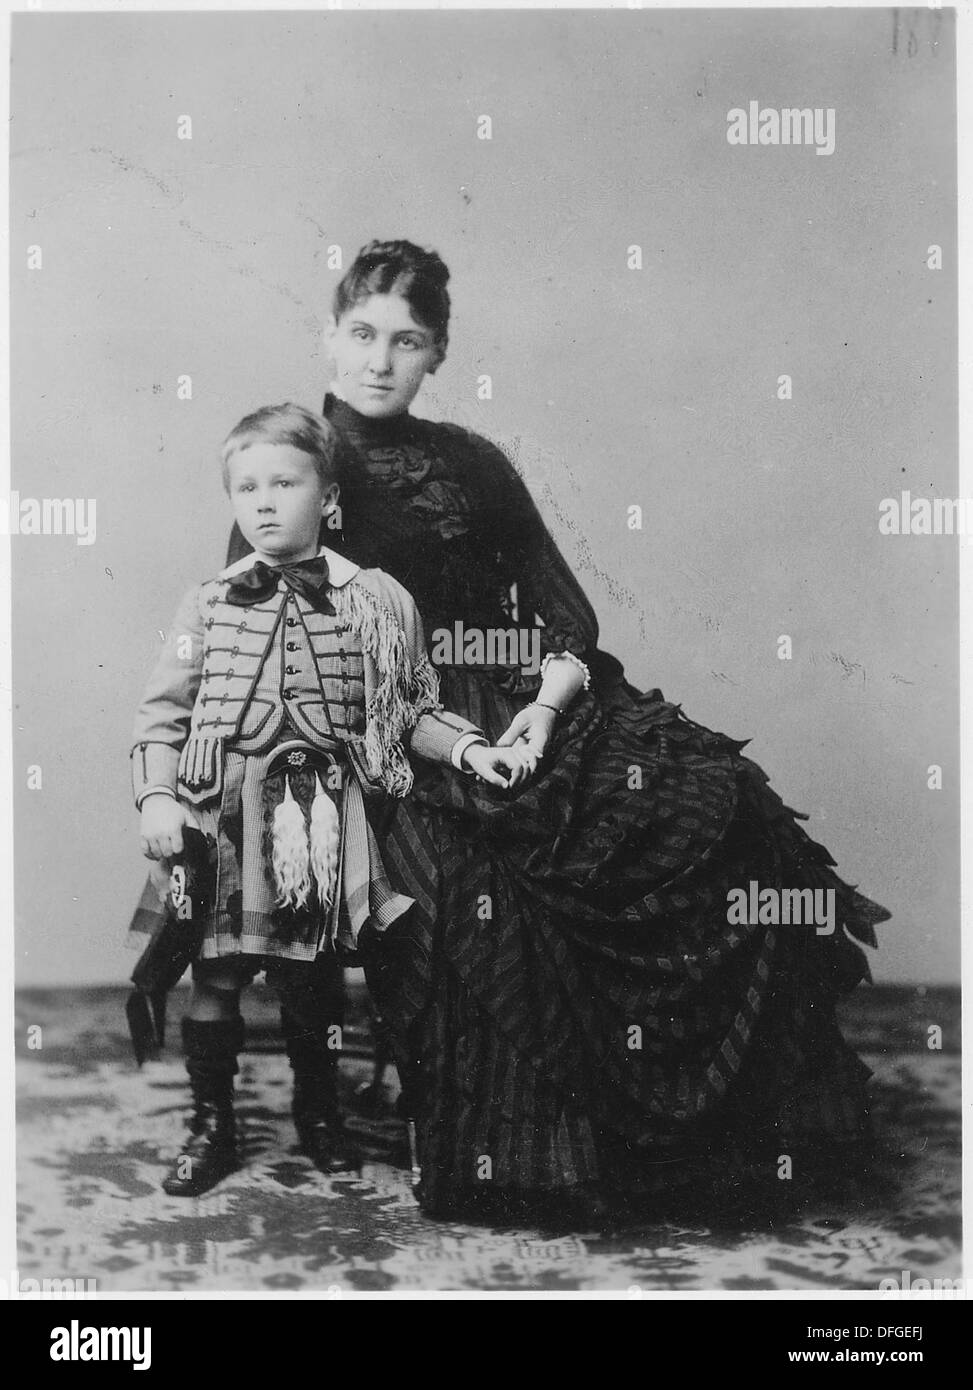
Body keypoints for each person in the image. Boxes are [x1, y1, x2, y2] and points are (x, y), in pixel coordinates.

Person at [229, 242, 891, 1223]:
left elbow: (565, 612)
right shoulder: (285, 459)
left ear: (438, 353)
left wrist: (542, 712)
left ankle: (747, 1140)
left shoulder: (471, 462)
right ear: (329, 335)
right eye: (362, 333)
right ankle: (551, 1154)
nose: (380, 360)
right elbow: (243, 635)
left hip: (520, 692)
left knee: (720, 801)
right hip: (381, 730)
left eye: (406, 340)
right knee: (483, 888)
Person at [129, 402, 533, 1198]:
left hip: (317, 812)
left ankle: (321, 1113)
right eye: (247, 488)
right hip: (224, 810)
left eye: (285, 481)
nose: (265, 502)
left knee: (311, 978)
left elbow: (409, 711)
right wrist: (155, 798)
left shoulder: (376, 600)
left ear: (330, 496)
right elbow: (160, 716)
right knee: (216, 974)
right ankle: (212, 1122)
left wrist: (473, 749)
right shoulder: (206, 603)